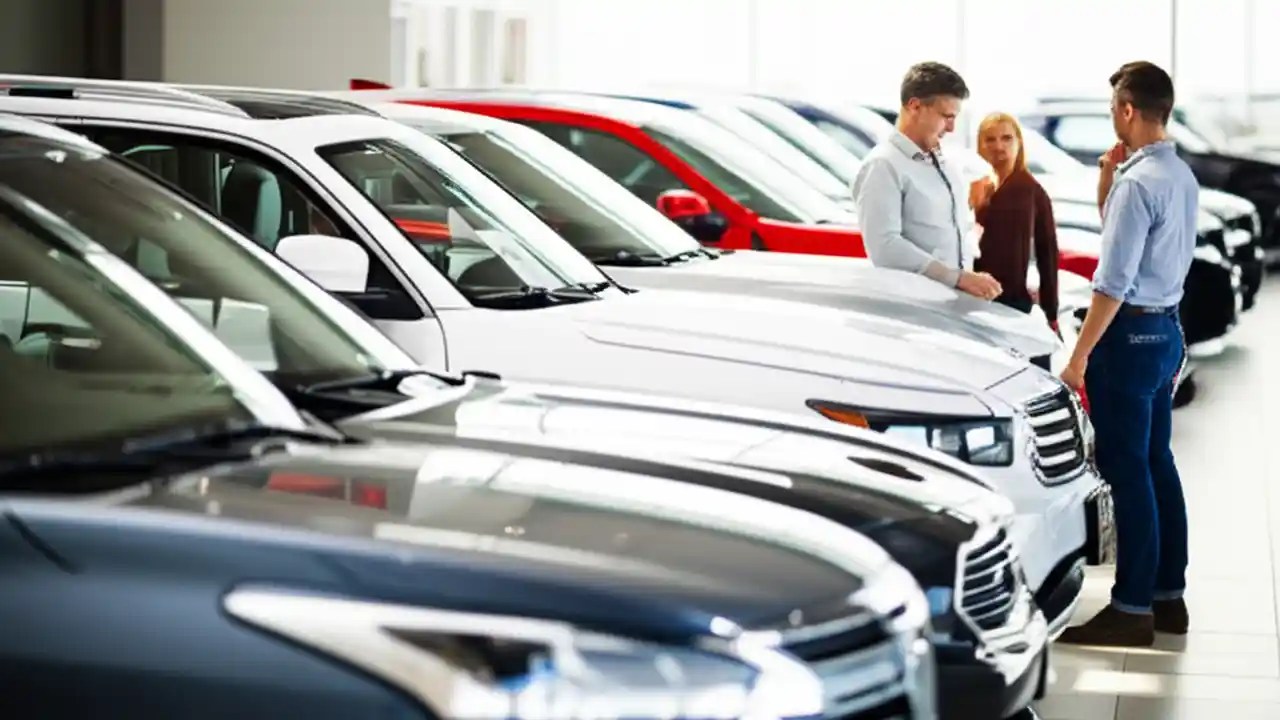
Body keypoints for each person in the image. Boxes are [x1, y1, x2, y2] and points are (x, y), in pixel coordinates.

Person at [1057, 60, 1197, 648]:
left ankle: (1131, 607)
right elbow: (1138, 258)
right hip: (1165, 332)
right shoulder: (1177, 175)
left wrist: (1078, 356)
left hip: (1131, 340)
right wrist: (1104, 192)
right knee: (1157, 463)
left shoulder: (1137, 184)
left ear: (1127, 110)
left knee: (1128, 471)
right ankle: (1168, 599)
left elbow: (1113, 282)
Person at [852, 61, 1002, 300]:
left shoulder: (947, 164)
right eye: (946, 117)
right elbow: (885, 247)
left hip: (954, 305)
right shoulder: (883, 166)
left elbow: (955, 233)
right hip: (917, 310)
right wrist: (958, 278)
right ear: (915, 106)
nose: (952, 128)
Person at [969, 112, 1061, 356]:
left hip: (1006, 303)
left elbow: (1048, 254)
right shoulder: (982, 187)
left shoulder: (1027, 191)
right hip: (976, 298)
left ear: (1019, 143)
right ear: (979, 144)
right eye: (990, 139)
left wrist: (1051, 313)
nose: (998, 146)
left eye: (1006, 138)